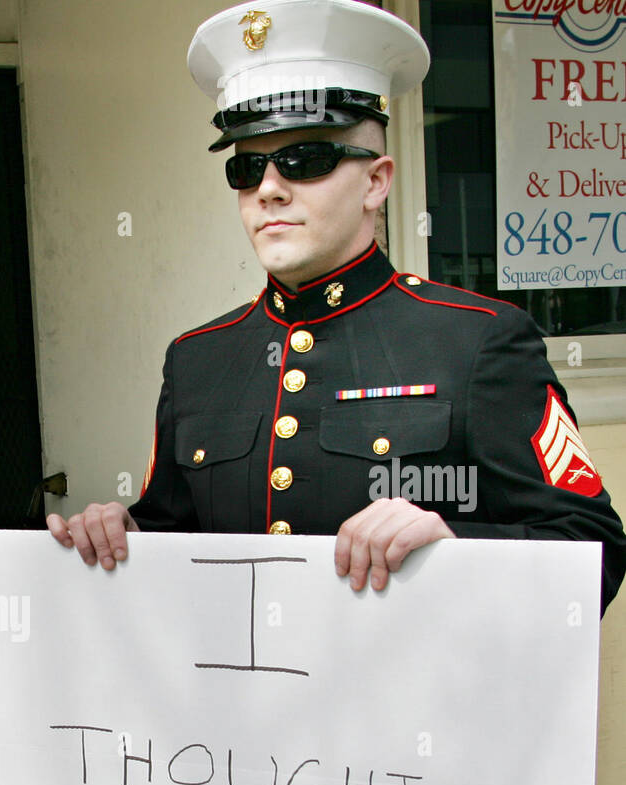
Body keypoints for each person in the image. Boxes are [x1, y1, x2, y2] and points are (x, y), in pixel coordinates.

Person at [48, 0, 626, 612]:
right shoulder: (196, 359)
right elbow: (174, 537)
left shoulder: (478, 341)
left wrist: (453, 542)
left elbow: (594, 553)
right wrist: (120, 539)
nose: (269, 187)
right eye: (247, 168)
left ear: (376, 181)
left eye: (306, 160)